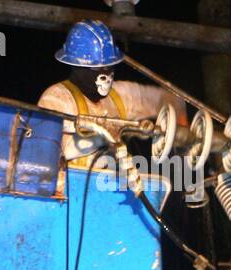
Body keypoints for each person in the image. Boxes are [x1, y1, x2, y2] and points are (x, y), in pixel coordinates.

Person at [38, 20, 186, 169]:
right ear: (77, 67)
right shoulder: (56, 99)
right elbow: (45, 156)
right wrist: (101, 137)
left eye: (110, 67)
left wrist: (181, 127)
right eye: (97, 69)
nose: (106, 74)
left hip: (113, 186)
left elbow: (167, 99)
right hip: (71, 187)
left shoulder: (121, 95)